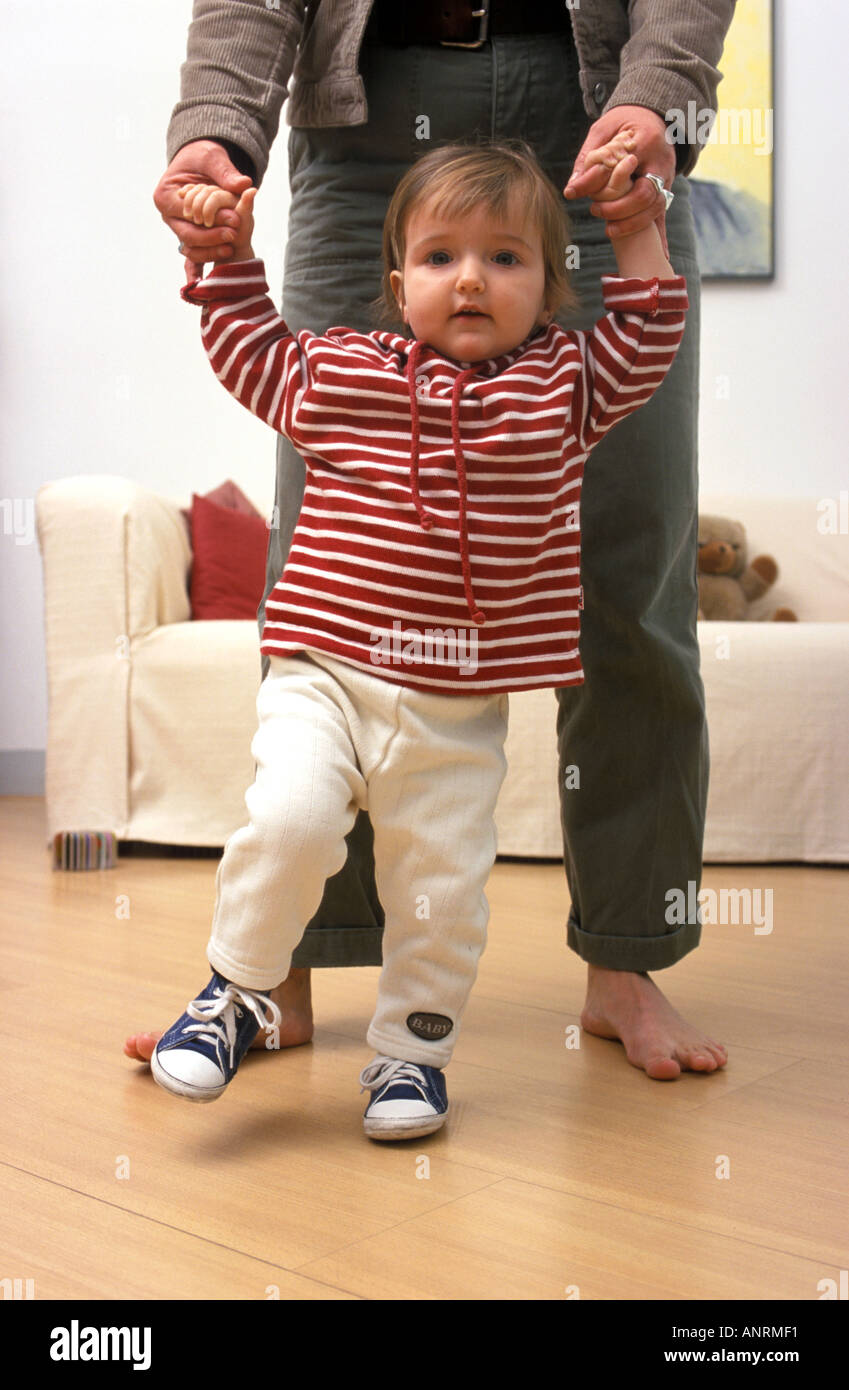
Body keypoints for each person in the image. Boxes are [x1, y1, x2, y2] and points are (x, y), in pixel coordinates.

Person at [128, 0, 735, 1081]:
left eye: (499, 263)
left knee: (636, 577)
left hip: (596, 103)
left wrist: (656, 114)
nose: (466, 280)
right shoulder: (337, 370)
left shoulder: (574, 373)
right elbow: (249, 341)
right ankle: (272, 971)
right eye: (439, 264)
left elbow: (638, 338)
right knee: (315, 576)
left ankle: (627, 955)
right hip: (366, 115)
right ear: (399, 277)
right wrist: (217, 127)